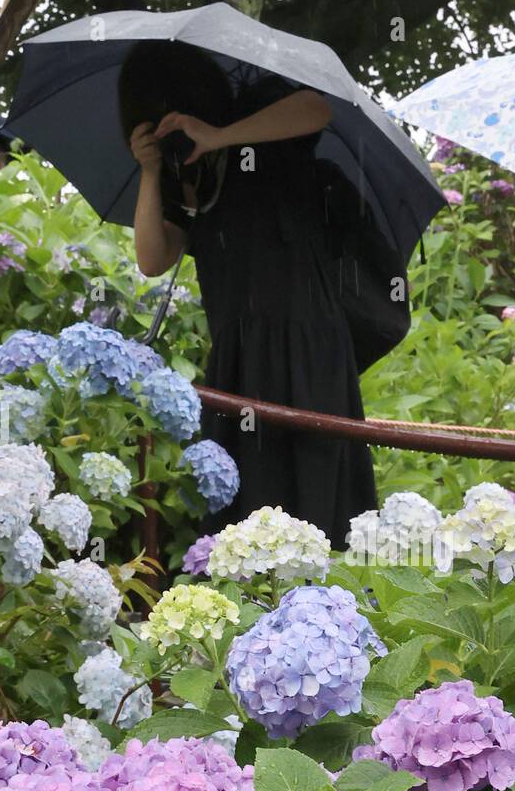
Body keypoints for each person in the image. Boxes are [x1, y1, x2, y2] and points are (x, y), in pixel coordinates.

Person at [119, 40, 378, 547]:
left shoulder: (258, 117)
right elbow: (152, 259)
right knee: (243, 515)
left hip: (306, 347)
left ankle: (328, 615)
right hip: (238, 359)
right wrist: (151, 170)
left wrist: (218, 136)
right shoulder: (182, 172)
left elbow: (316, 108)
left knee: (317, 499)